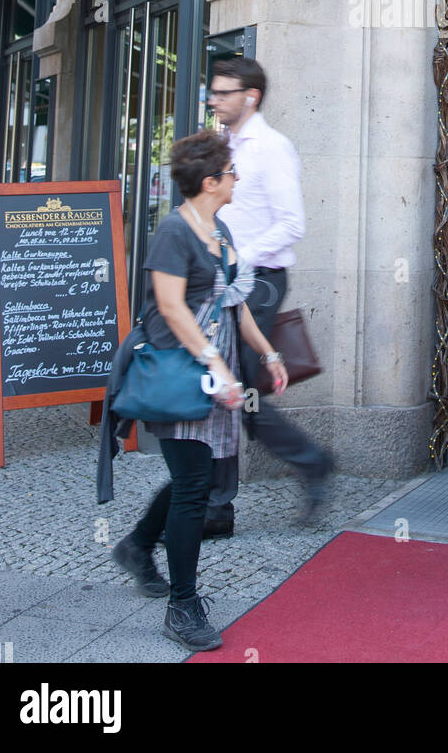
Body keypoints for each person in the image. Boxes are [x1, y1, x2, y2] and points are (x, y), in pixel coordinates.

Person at [110, 129, 287, 651]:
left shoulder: (221, 229)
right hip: (182, 373)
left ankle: (138, 544)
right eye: (230, 172)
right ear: (210, 181)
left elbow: (235, 301)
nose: (236, 178)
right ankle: (182, 606)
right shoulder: (173, 232)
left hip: (219, 372)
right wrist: (215, 362)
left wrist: (266, 352)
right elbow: (170, 306)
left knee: (199, 475)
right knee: (193, 485)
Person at [203, 57, 333, 537]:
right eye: (212, 92)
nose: (214, 99)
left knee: (227, 389)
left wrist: (238, 257)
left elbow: (292, 223)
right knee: (239, 392)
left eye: (223, 91)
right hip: (227, 280)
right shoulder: (223, 144)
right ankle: (311, 463)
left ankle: (217, 508)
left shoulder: (272, 148)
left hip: (257, 280)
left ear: (251, 96)